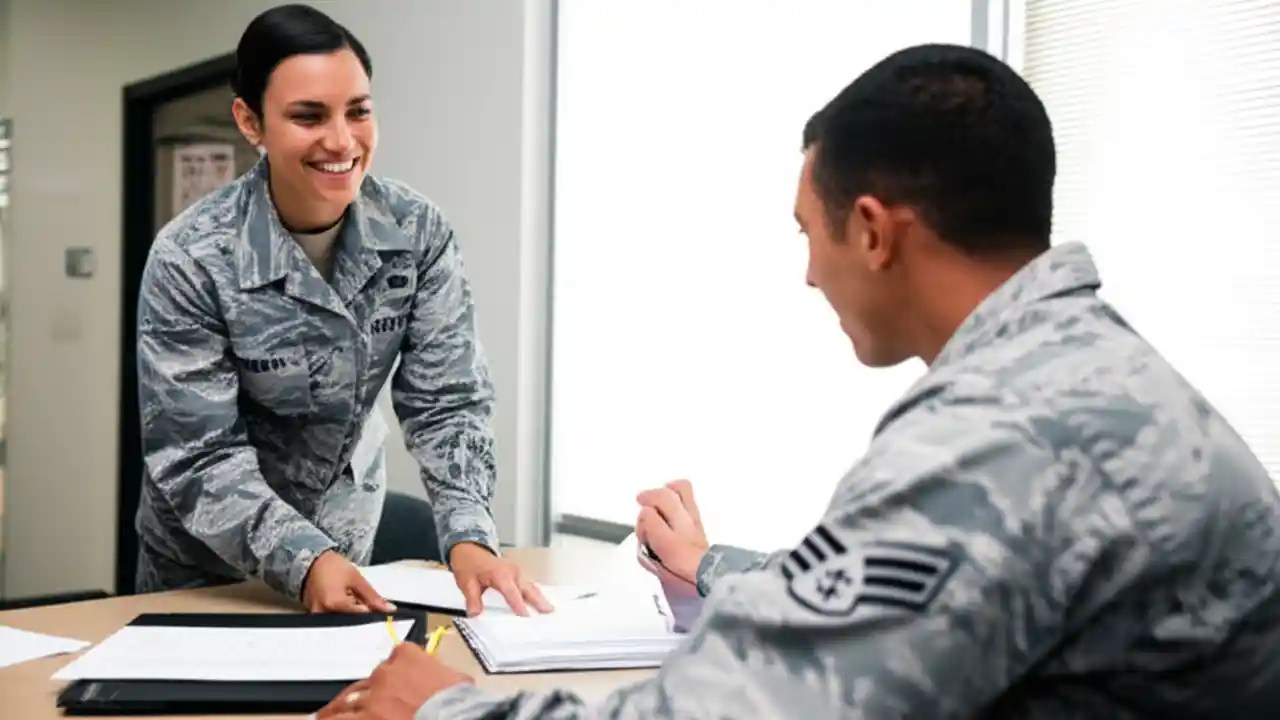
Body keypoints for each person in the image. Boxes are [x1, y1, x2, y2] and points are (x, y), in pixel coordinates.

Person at [316, 42, 1280, 719]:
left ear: (872, 228)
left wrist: (446, 711)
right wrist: (708, 568)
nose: (811, 272)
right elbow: (889, 598)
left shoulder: (1002, 433)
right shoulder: (1082, 369)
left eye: (809, 234)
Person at [133, 4, 551, 617]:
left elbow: (448, 402)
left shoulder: (416, 233)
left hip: (350, 554)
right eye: (309, 116)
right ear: (250, 121)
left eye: (358, 110)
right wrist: (306, 560)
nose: (341, 140)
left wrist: (469, 534)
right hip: (209, 571)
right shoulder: (192, 257)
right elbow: (198, 453)